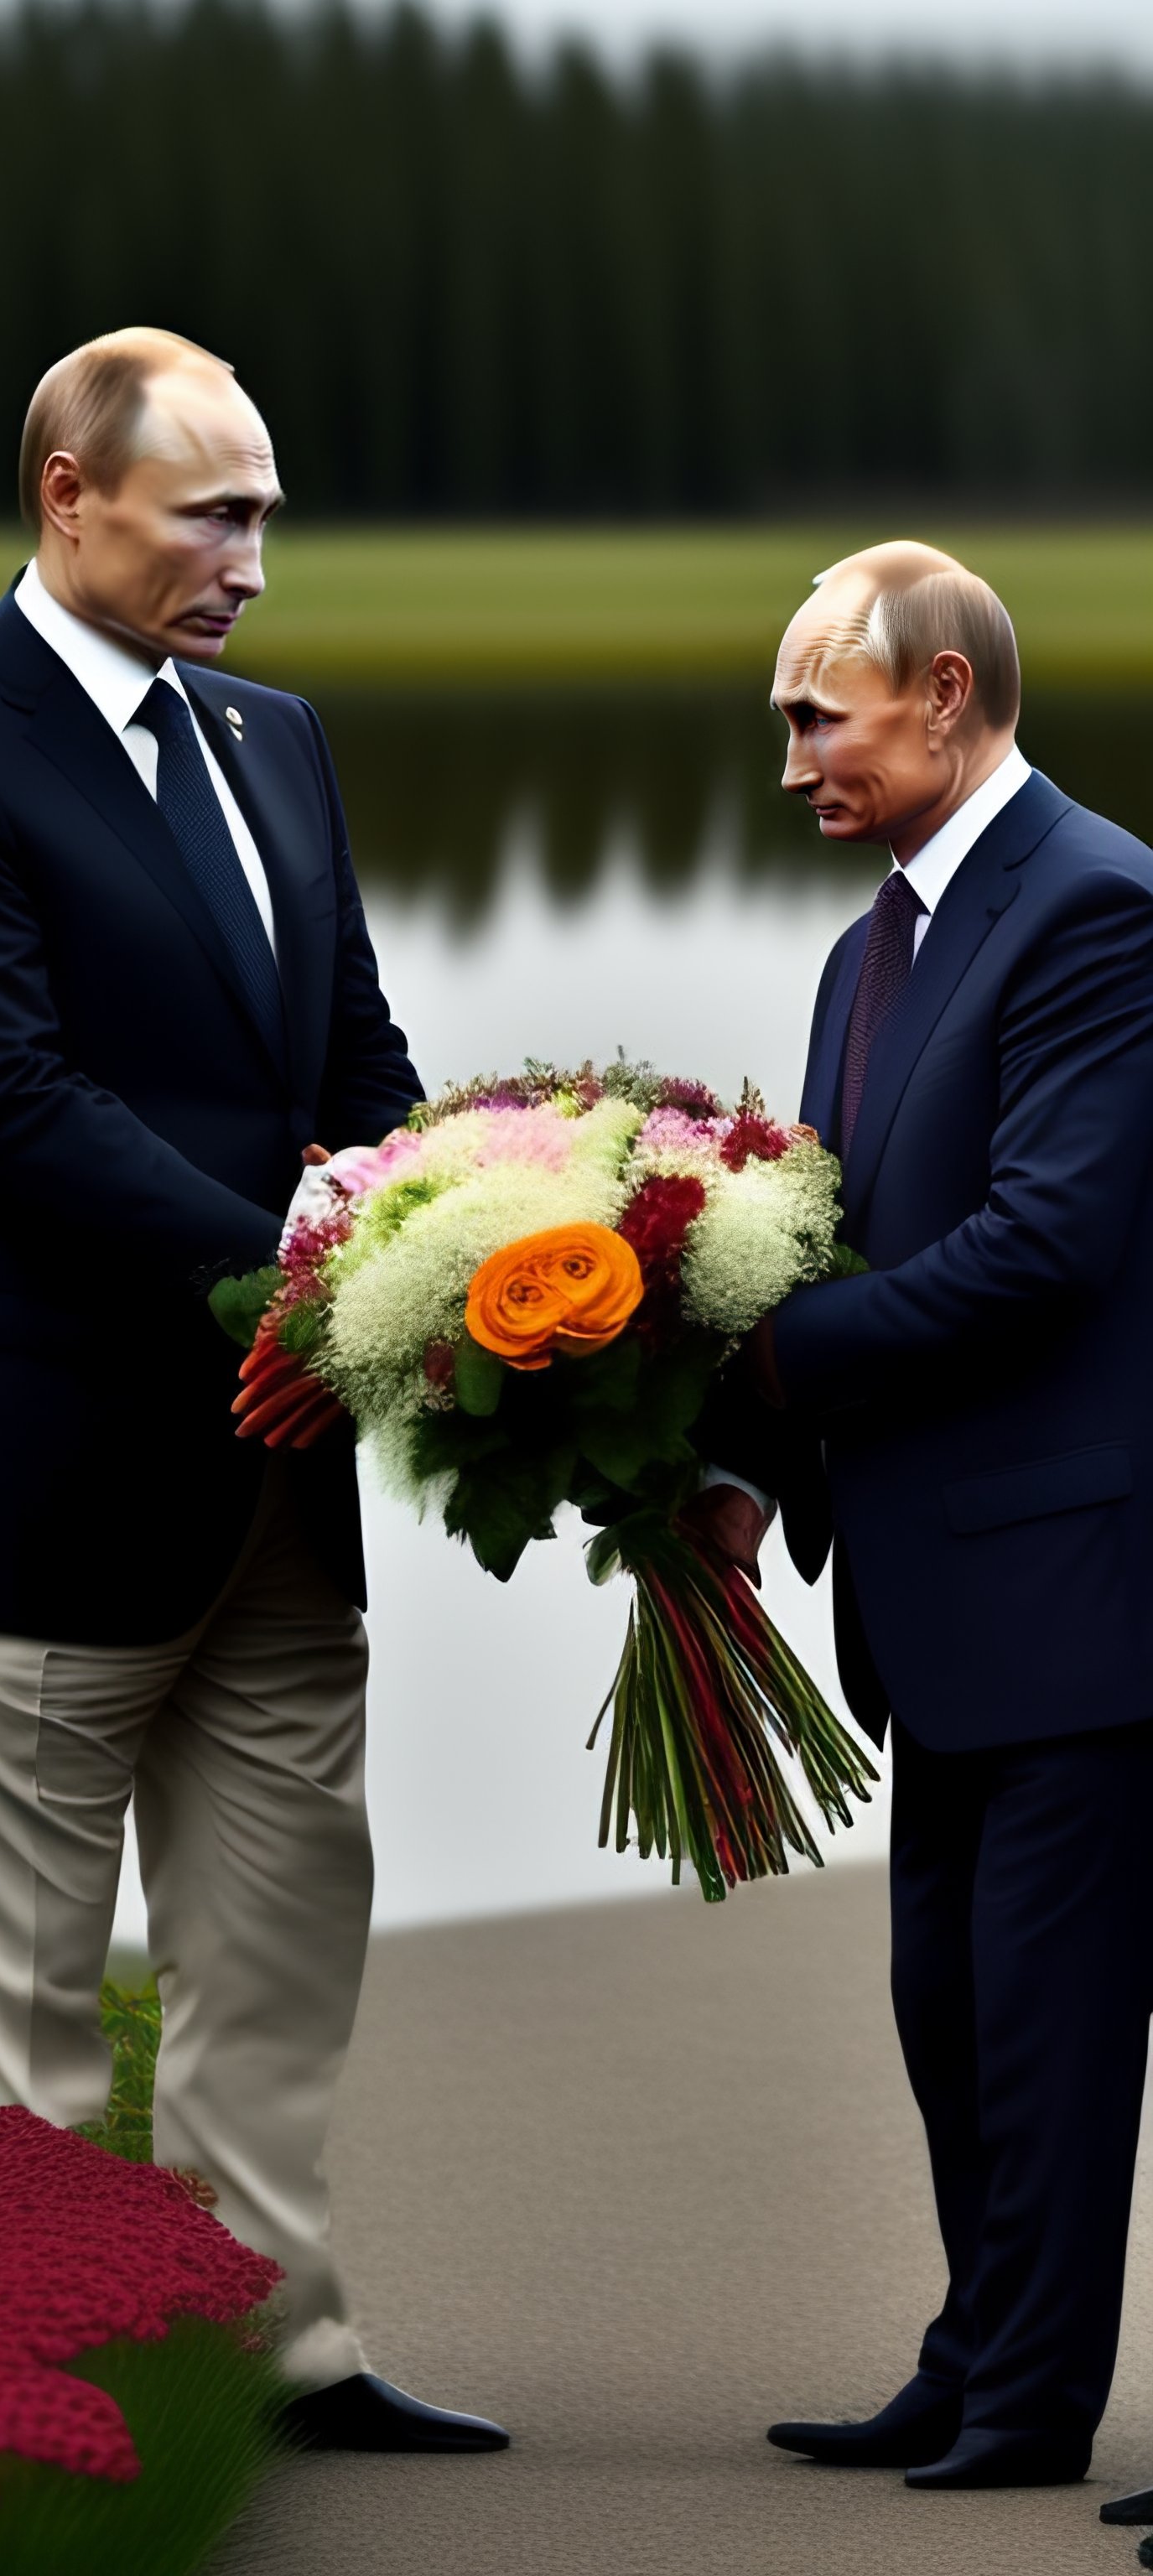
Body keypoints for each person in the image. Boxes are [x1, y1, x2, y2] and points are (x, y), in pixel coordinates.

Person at [0, 325, 507, 2453]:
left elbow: (357, 1064)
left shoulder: (276, 740)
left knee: (277, 1948)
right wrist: (294, 1299)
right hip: (21, 1469)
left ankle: (265, 2353)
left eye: (263, 517)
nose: (251, 565)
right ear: (68, 497)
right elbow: (7, 1104)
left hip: (278, 1485)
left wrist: (440, 1261)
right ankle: (21, 2398)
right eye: (212, 517)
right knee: (16, 2009)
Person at [744, 541, 1153, 2496]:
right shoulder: (869, 947)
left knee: (1048, 2023)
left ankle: (1028, 2406)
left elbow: (1044, 1246)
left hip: (1076, 1587)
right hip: (936, 1595)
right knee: (950, 2002)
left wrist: (768, 1354)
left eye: (816, 718)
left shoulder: (1095, 906)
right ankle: (973, 2352)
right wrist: (725, 1456)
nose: (794, 762)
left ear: (944, 697)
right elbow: (831, 1233)